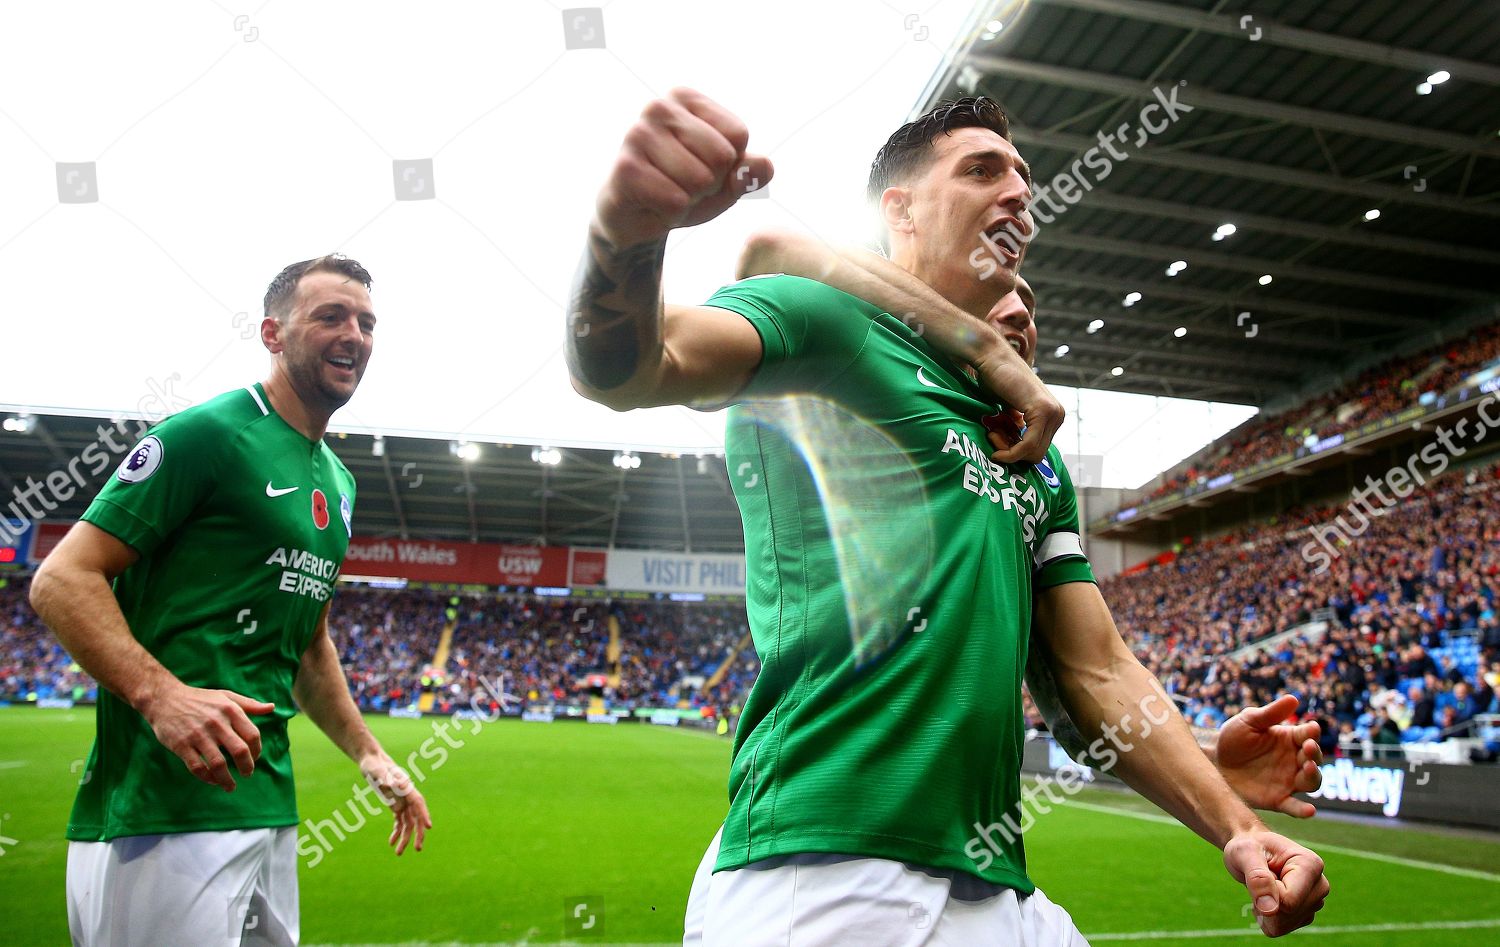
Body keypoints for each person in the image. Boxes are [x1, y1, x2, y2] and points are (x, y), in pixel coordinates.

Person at [569, 89, 1327, 944]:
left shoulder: (1028, 450)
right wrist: (624, 235)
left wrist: (1235, 821)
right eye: (981, 169)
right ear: (898, 210)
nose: (1018, 192)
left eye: (1025, 178)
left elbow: (1094, 673)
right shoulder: (831, 324)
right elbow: (630, 369)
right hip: (831, 868)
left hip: (999, 884)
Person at [30, 255, 432, 946]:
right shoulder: (211, 433)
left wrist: (370, 754)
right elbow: (61, 578)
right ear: (273, 334)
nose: (355, 335)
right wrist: (161, 696)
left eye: (367, 322)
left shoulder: (339, 480)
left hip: (268, 802)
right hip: (163, 807)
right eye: (330, 315)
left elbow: (309, 643)